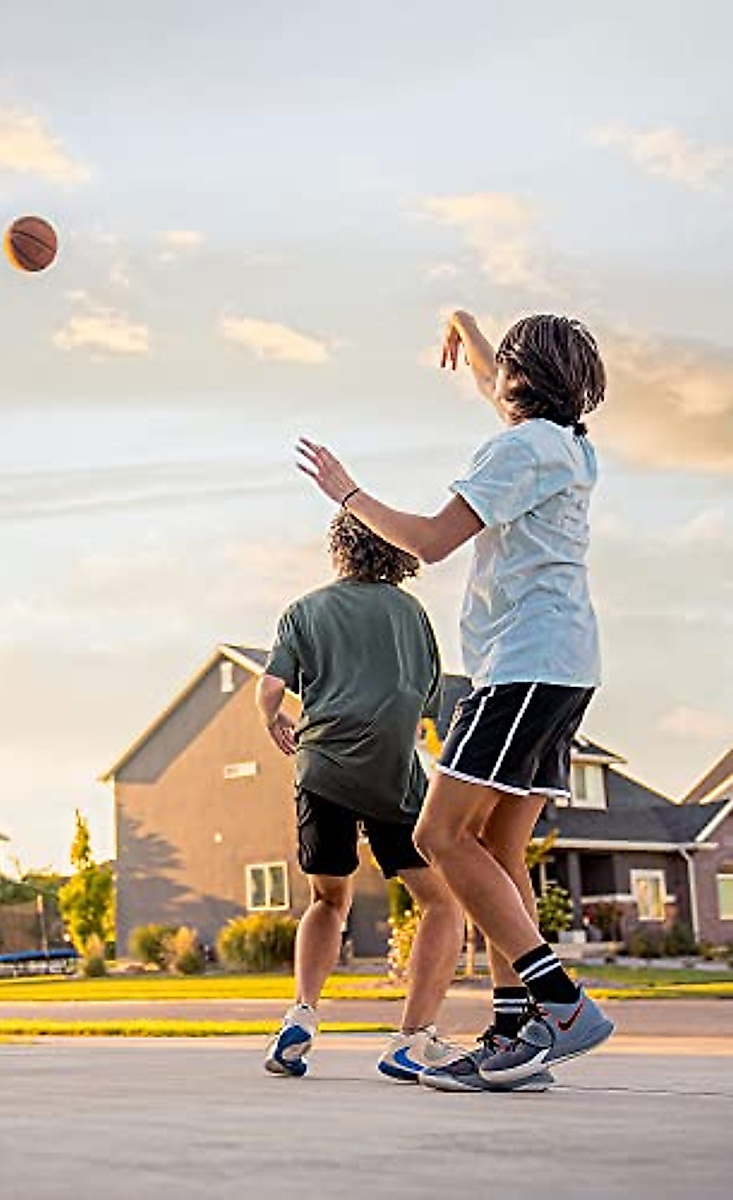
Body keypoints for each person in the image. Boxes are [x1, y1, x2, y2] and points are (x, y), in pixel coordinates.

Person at [296, 310, 614, 1090]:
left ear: (520, 383)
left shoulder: (516, 447)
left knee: (440, 833)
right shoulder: (566, 445)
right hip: (566, 665)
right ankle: (519, 1036)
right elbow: (490, 382)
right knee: (499, 852)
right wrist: (466, 324)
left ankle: (561, 1003)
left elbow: (432, 541)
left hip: (522, 666)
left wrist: (350, 492)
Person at [258, 509, 465, 1082]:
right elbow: (426, 701)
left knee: (328, 900)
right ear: (396, 550)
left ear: (340, 551)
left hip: (320, 769)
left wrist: (273, 719)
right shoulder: (411, 614)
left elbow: (270, 687)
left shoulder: (304, 610)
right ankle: (411, 1038)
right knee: (442, 902)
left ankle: (301, 1014)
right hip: (392, 774)